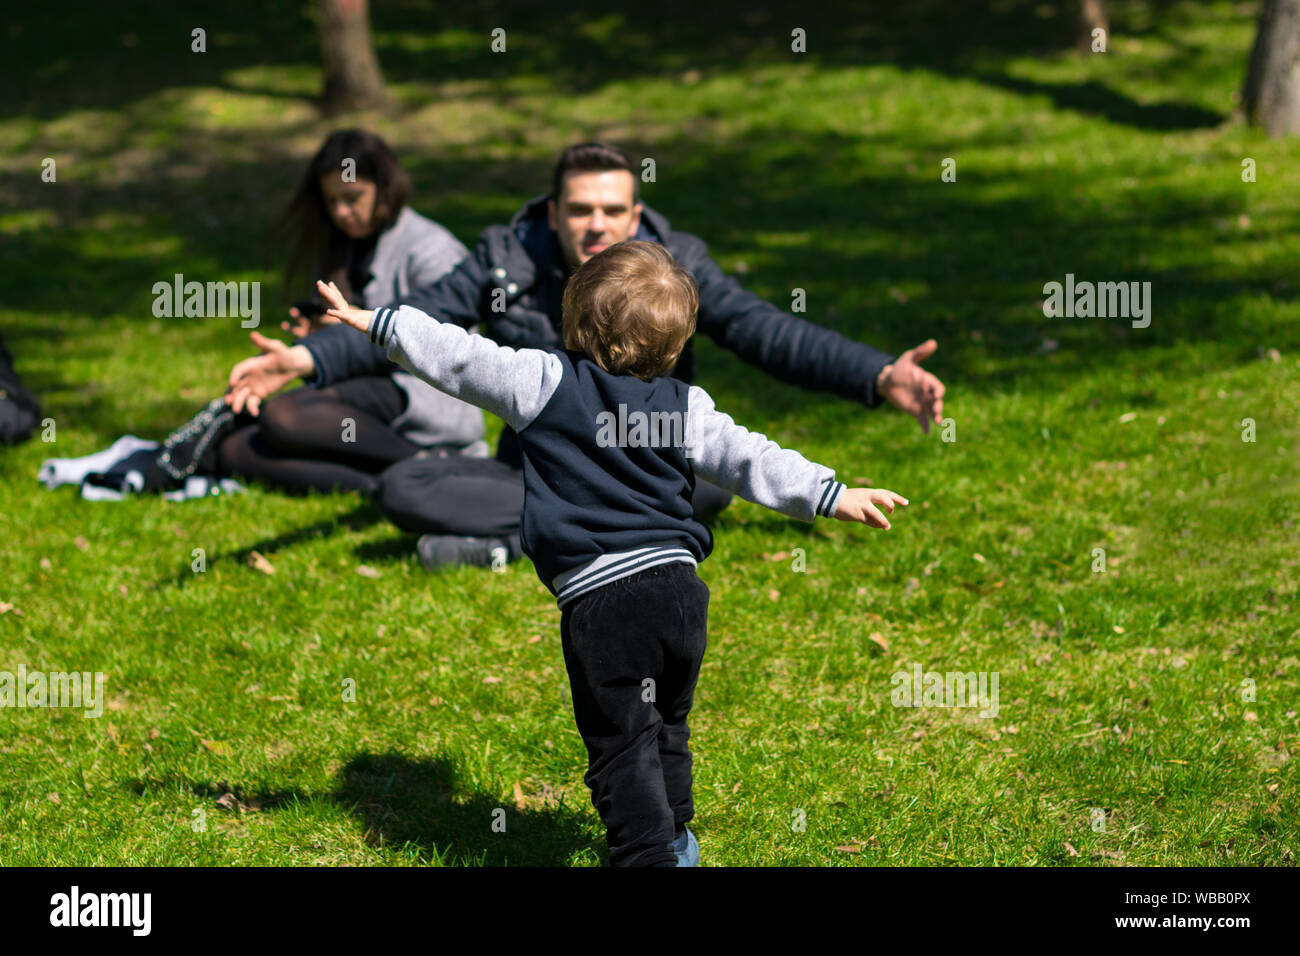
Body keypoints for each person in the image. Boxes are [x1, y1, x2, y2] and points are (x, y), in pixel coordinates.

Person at [314, 241, 908, 866]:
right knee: (665, 724)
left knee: (621, 741)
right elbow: (752, 457)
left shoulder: (546, 383)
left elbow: (461, 360)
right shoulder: (686, 407)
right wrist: (829, 492)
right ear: (675, 345)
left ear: (574, 322)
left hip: (606, 600)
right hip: (681, 594)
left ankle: (645, 854)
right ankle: (676, 837)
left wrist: (377, 322)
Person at [226, 141, 941, 563]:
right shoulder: (505, 257)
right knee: (404, 489)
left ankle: (529, 544)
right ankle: (599, 538)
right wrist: (310, 359)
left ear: (635, 214)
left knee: (711, 475)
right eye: (579, 210)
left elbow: (765, 332)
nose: (596, 225)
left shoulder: (674, 265)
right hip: (542, 475)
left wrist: (876, 375)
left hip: (648, 466)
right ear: (552, 212)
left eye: (612, 211)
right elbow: (431, 331)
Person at [218, 129, 486, 497]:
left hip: (422, 397)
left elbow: (444, 349)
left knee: (283, 416)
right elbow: (344, 349)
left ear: (385, 188)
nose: (342, 212)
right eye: (331, 201)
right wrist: (318, 341)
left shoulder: (433, 250)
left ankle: (423, 468)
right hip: (363, 402)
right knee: (237, 447)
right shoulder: (338, 248)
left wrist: (338, 346)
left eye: (352, 197)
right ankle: (390, 483)